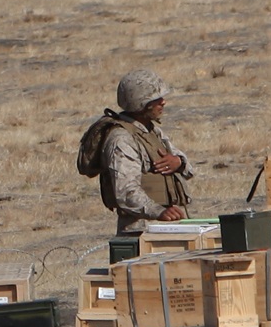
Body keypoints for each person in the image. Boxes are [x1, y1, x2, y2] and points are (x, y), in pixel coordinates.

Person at [81, 70, 193, 234]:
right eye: (156, 99)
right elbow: (126, 192)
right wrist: (158, 211)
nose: (163, 102)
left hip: (168, 226)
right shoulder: (121, 139)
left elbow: (189, 170)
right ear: (141, 103)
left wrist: (178, 162)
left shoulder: (152, 131)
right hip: (140, 229)